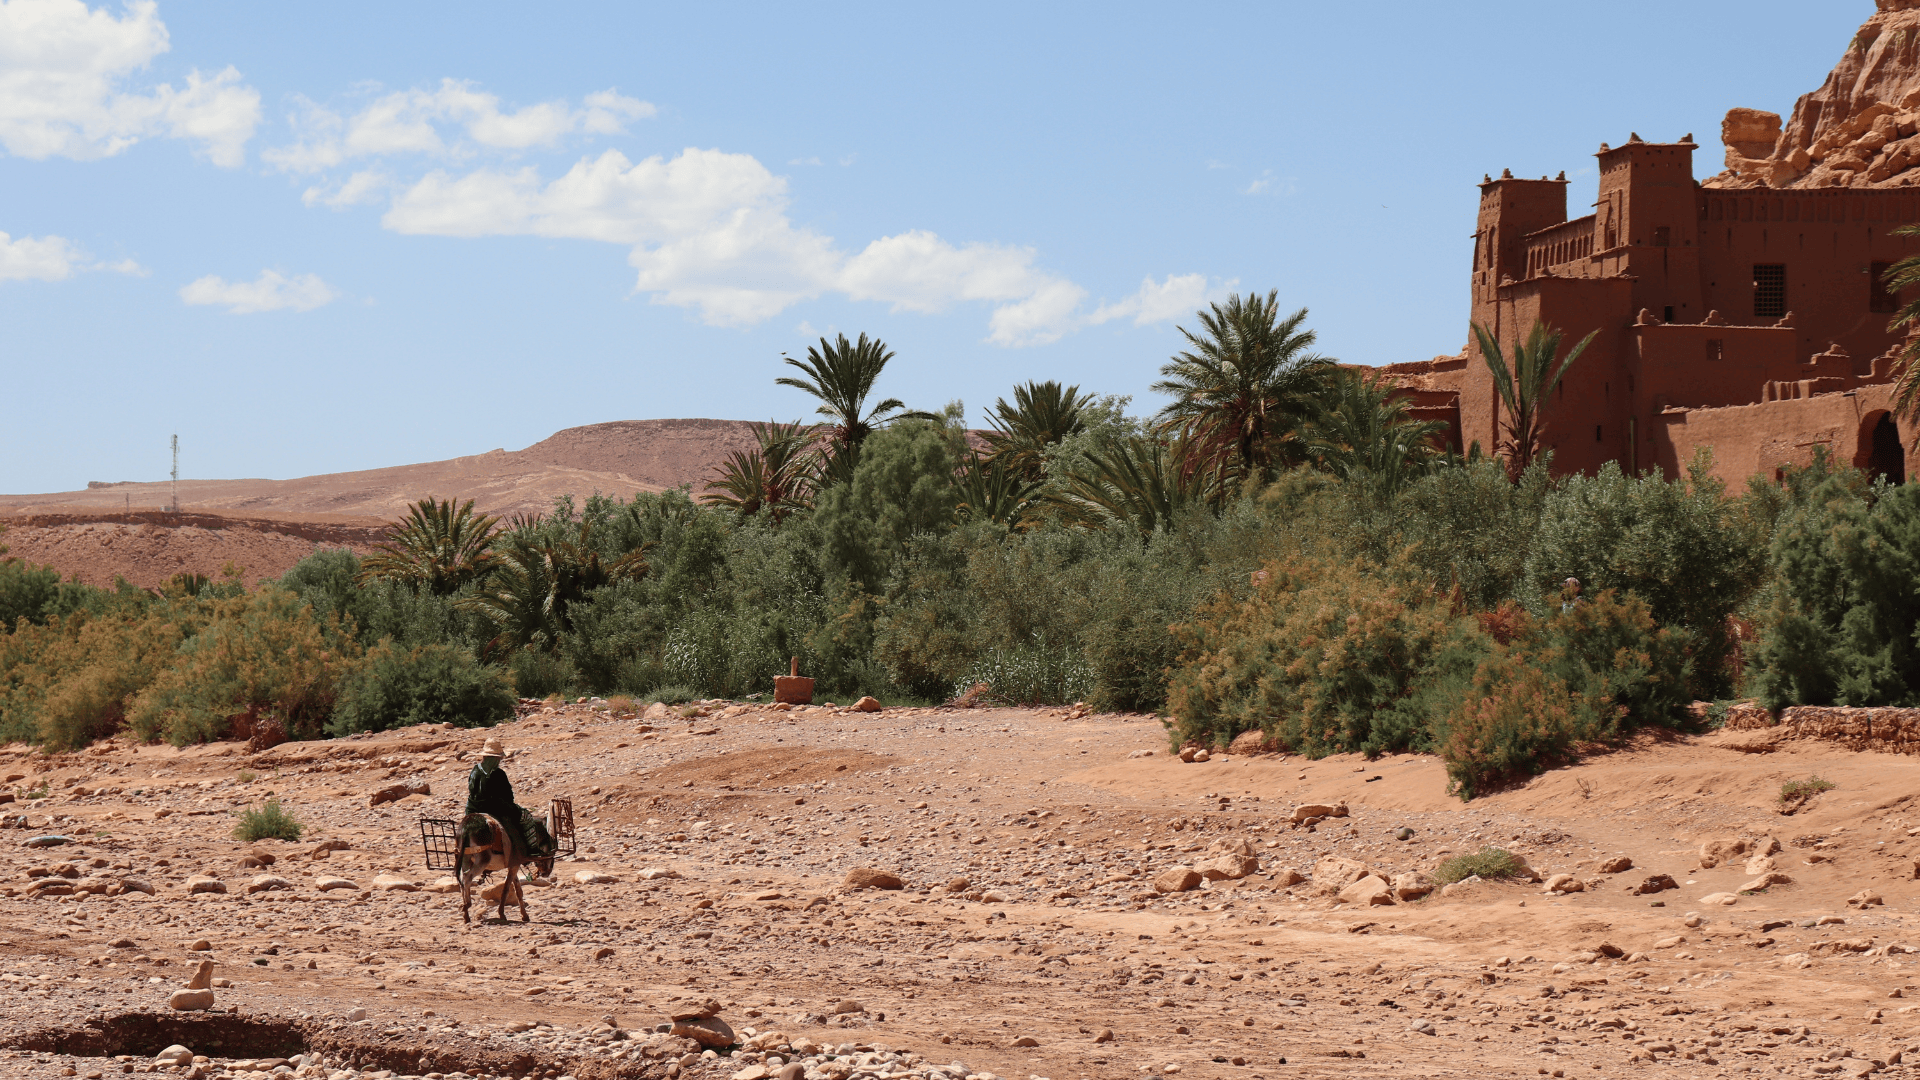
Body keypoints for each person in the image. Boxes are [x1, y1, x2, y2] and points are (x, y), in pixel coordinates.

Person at [464, 736, 554, 859]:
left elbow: (472, 791)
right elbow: (508, 796)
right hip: (495, 809)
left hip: (472, 808)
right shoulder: (498, 773)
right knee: (526, 817)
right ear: (494, 758)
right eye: (498, 758)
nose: (499, 761)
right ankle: (532, 849)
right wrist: (509, 806)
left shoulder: (475, 771)